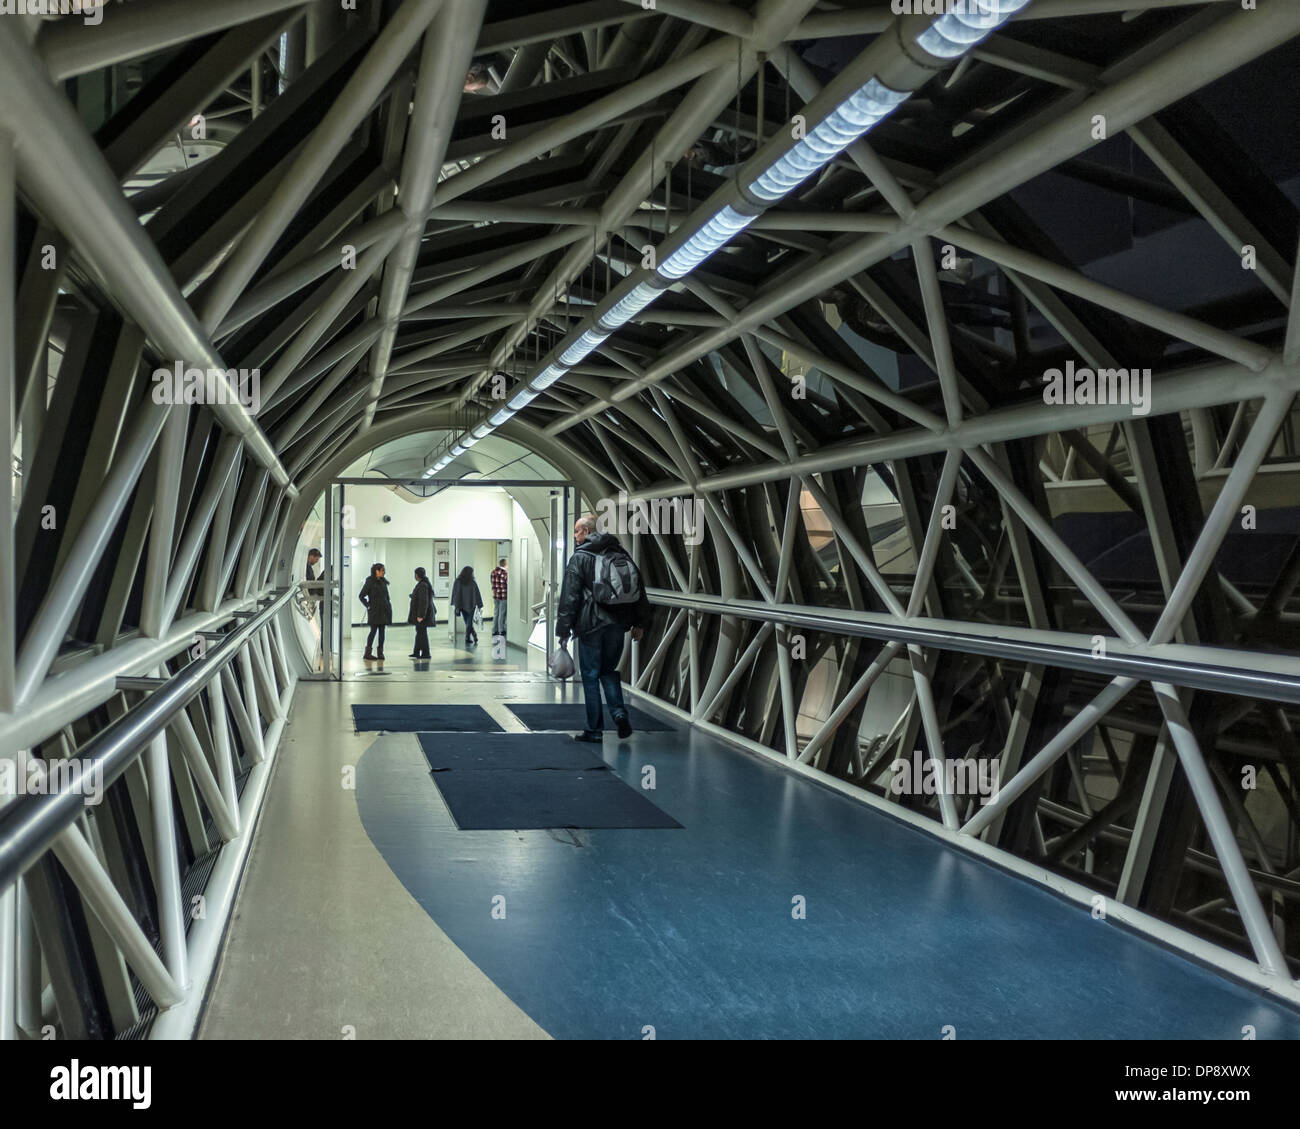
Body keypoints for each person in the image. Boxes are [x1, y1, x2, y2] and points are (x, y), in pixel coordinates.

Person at [556, 514, 651, 742]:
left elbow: (570, 596)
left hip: (590, 626)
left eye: (578, 531)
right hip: (618, 625)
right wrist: (640, 622)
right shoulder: (620, 553)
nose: (575, 536)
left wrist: (563, 629)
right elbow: (640, 589)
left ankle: (594, 730)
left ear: (588, 532)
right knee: (609, 672)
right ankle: (618, 714)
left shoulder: (580, 558)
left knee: (590, 676)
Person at [358, 563, 392, 660]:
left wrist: (388, 605)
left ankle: (380, 652)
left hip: (384, 610)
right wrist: (368, 605)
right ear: (376, 571)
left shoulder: (383, 582)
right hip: (374, 610)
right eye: (382, 570)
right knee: (373, 631)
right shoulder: (369, 582)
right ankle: (367, 653)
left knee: (382, 632)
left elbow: (386, 596)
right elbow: (361, 596)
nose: (384, 572)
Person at [449, 565, 483, 646]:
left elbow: (455, 594)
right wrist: (479, 604)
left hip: (463, 605)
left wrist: (456, 604)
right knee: (468, 622)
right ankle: (472, 636)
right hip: (470, 604)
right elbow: (477, 594)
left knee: (468, 622)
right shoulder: (471, 582)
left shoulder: (458, 581)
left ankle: (468, 637)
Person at [408, 567, 435, 658]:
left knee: (422, 633)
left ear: (417, 575)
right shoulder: (422, 584)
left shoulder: (423, 585)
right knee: (419, 632)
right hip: (422, 614)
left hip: (422, 615)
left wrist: (421, 615)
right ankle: (416, 652)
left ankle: (426, 653)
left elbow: (424, 601)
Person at [490, 558, 508, 637]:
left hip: (496, 596)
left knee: (496, 613)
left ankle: (494, 630)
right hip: (503, 596)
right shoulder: (505, 573)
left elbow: (492, 583)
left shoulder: (493, 572)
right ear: (505, 564)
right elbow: (507, 584)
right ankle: (501, 630)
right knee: (502, 613)